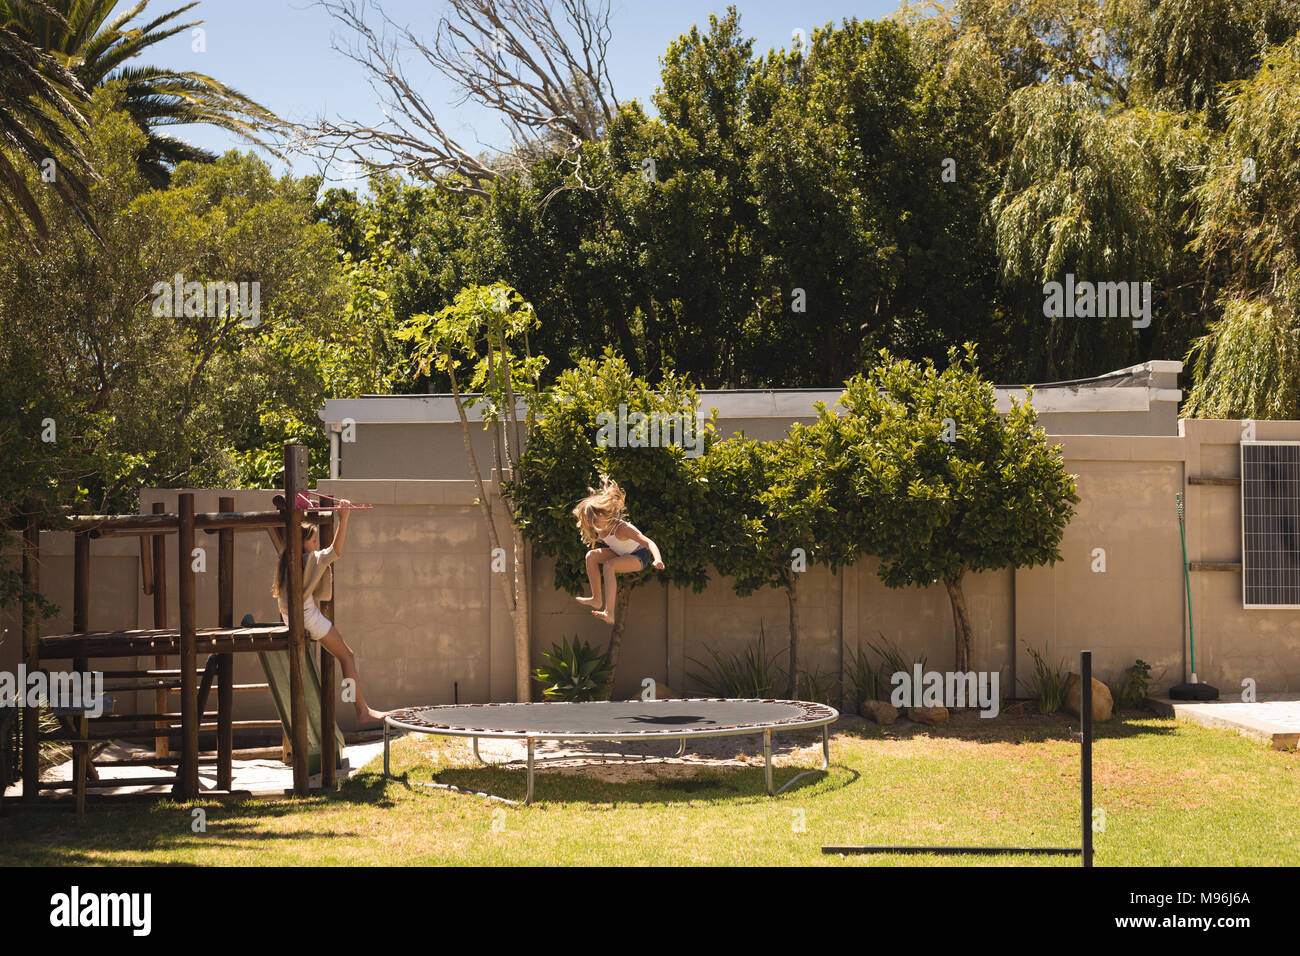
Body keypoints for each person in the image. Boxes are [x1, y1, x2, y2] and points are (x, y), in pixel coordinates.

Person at [272, 500, 385, 723]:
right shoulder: (310, 559)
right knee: (347, 656)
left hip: (293, 616)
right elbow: (335, 551)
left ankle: (362, 709)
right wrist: (344, 518)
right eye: (313, 541)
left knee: (345, 656)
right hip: (307, 616)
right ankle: (362, 711)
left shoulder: (288, 558)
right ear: (303, 543)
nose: (316, 545)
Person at [571, 476, 664, 624]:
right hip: (621, 553)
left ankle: (609, 613)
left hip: (640, 555)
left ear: (605, 513)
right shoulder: (600, 528)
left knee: (609, 566)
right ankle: (596, 599)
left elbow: (649, 542)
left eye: (595, 520)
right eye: (591, 521)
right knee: (591, 556)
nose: (594, 525)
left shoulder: (622, 528)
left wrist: (658, 559)